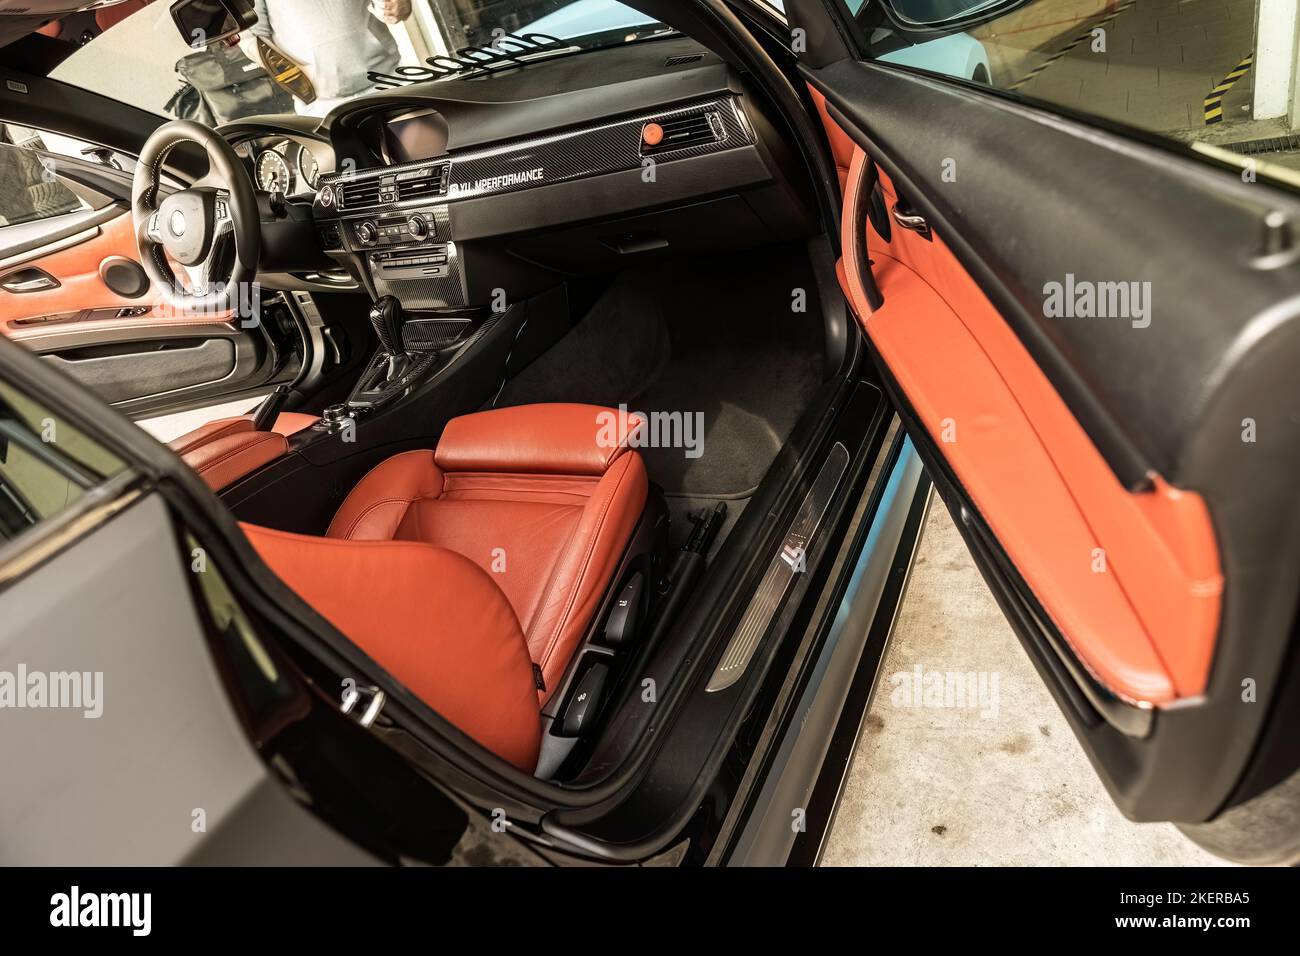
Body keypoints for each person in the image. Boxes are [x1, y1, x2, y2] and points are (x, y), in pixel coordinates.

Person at [243, 0, 413, 117]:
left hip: (389, 82)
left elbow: (398, 7)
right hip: (321, 106)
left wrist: (400, 6)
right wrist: (300, 80)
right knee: (351, 169)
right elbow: (254, 40)